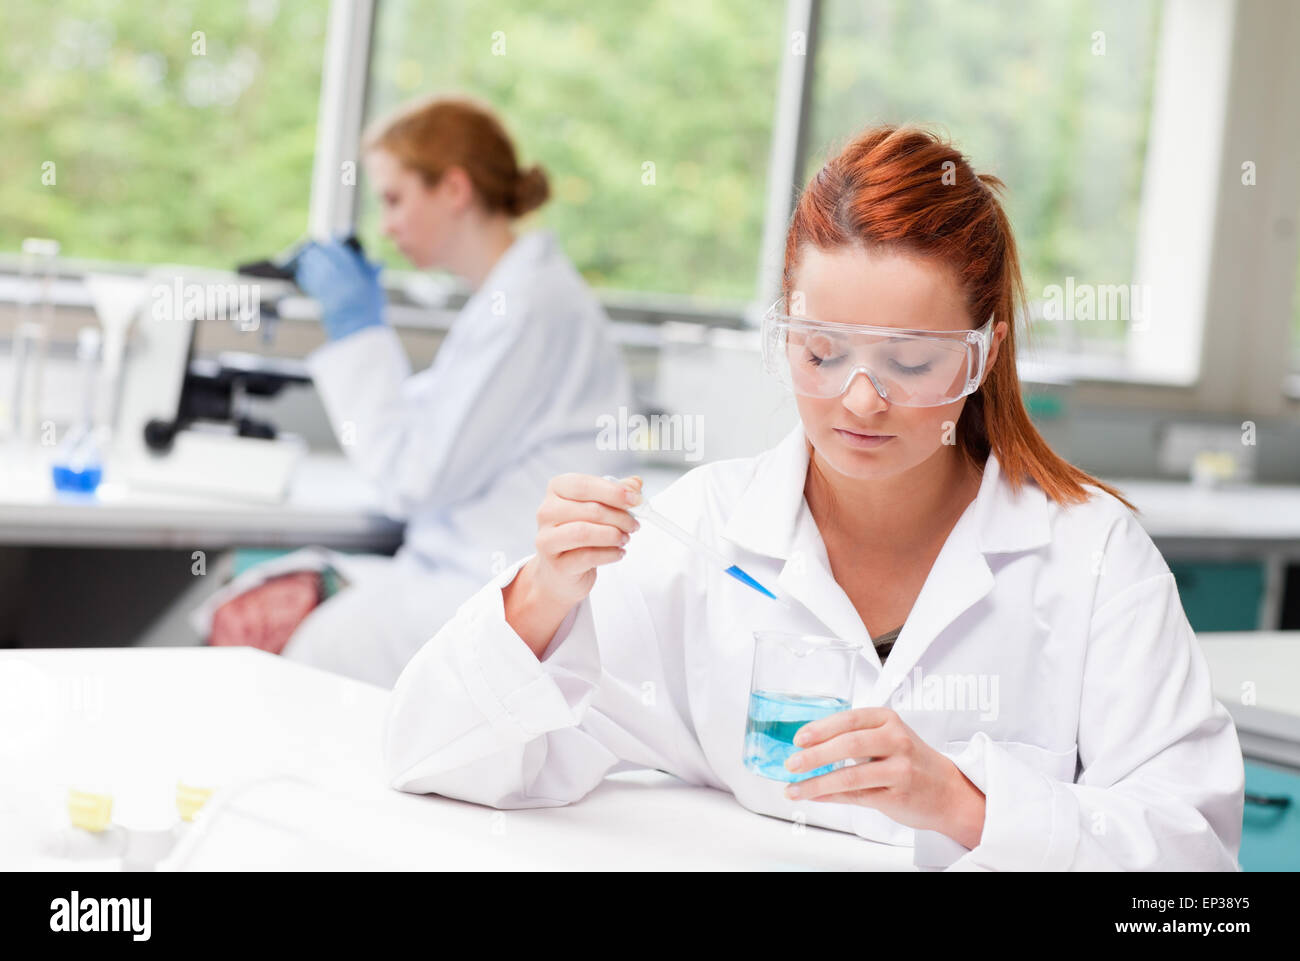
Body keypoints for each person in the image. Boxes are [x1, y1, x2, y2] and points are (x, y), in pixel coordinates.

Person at [380, 125, 1244, 870]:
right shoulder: (706, 534)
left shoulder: (1090, 560)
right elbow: (432, 754)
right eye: (822, 352)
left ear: (984, 356)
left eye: (910, 361)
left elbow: (1196, 870)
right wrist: (541, 596)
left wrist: (970, 805)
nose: (861, 399)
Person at [194, 95, 637, 688]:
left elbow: (411, 477)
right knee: (246, 601)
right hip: (462, 573)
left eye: (395, 199)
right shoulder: (507, 299)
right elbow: (432, 430)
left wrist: (358, 326)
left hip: (494, 593)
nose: (386, 225)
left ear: (454, 190)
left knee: (274, 648)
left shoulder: (526, 306)